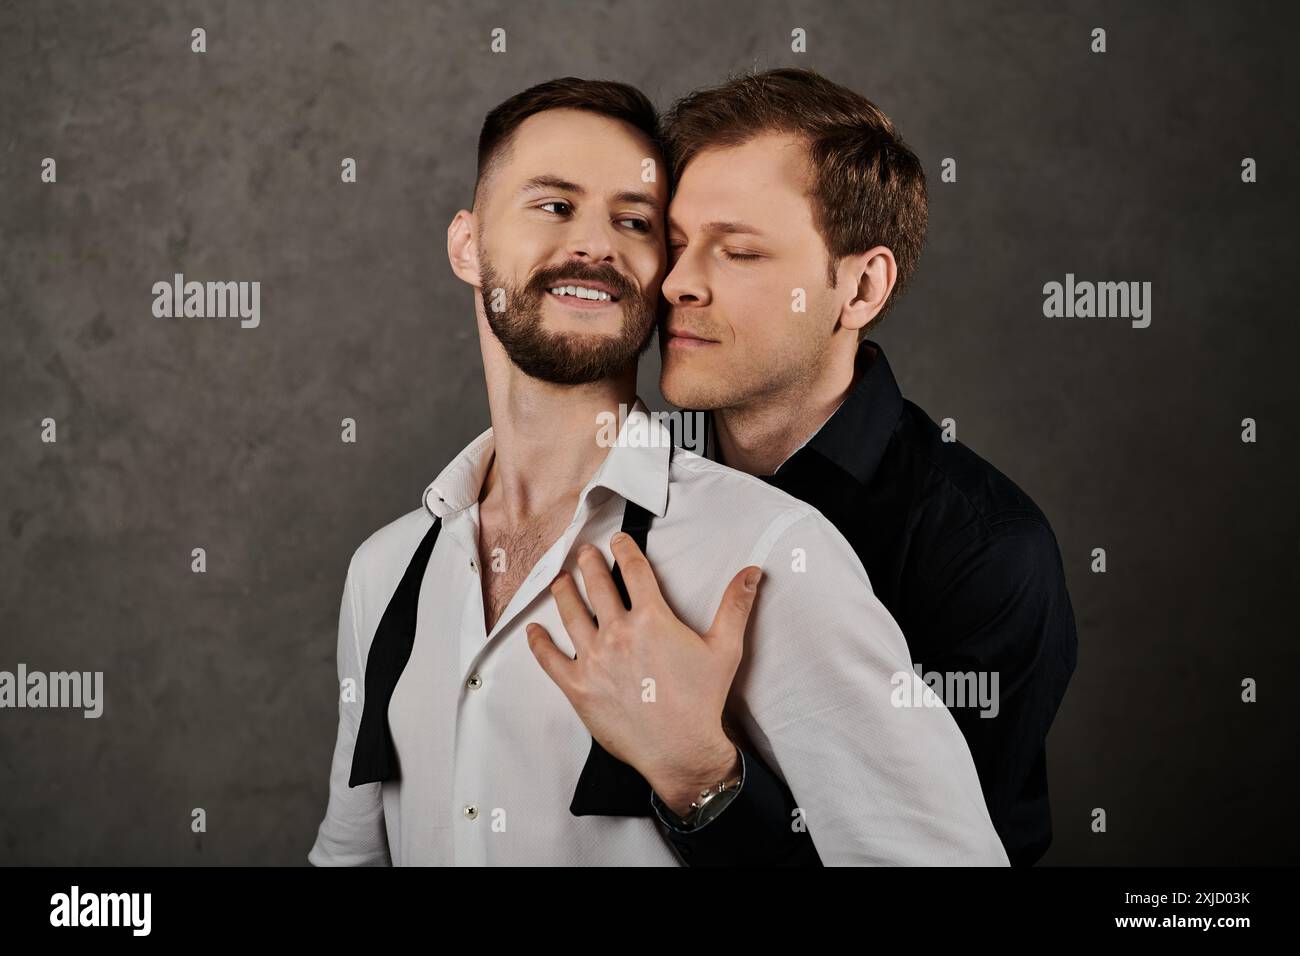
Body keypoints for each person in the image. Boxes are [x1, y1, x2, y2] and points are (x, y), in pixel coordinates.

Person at [307, 77, 1007, 866]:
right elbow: (349, 857)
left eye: (634, 221)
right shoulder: (385, 571)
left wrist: (703, 774)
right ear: (467, 245)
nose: (595, 245)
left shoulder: (771, 552)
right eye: (554, 205)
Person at [656, 68, 1078, 866]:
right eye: (674, 244)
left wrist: (702, 776)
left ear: (859, 288)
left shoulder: (986, 552)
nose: (677, 283)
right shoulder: (631, 484)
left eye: (738, 251)